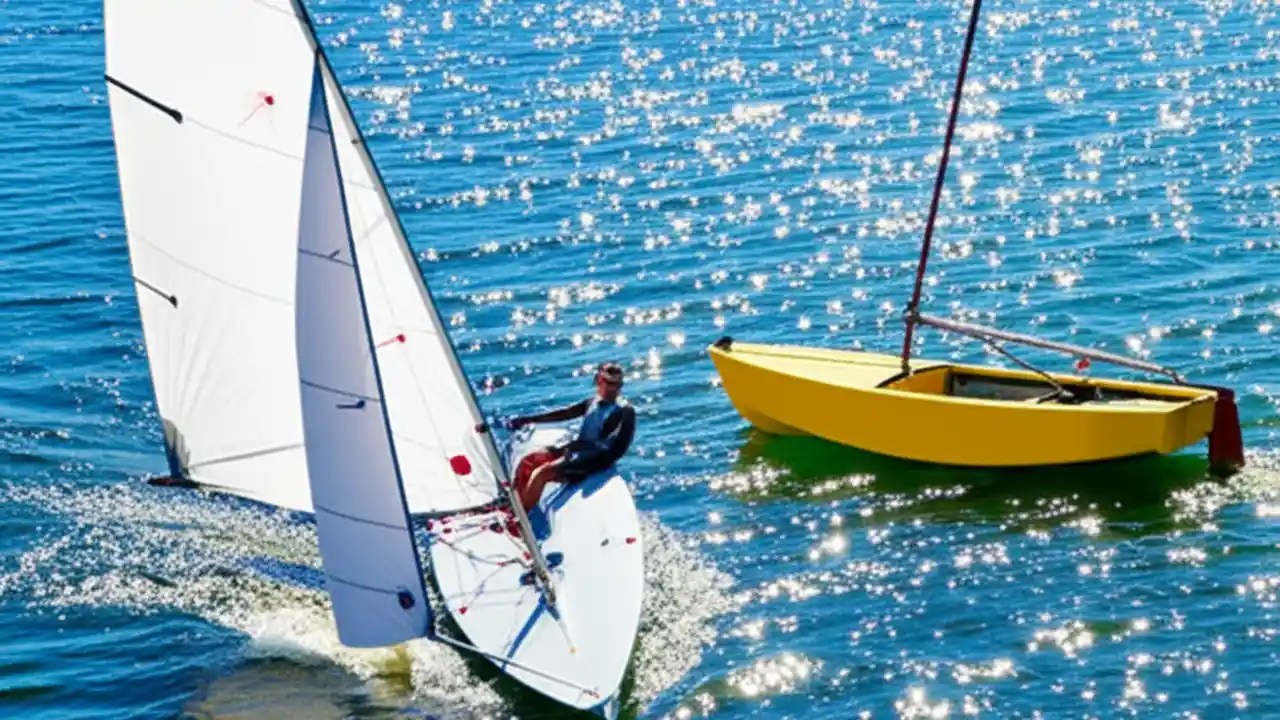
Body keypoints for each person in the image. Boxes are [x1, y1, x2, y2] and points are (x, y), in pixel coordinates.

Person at [506, 362, 636, 512]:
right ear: (598, 380)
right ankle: (514, 501)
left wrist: (582, 455)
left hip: (590, 462)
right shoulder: (592, 403)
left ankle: (519, 517)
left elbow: (617, 449)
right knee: (529, 461)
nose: (612, 389)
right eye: (608, 383)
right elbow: (565, 414)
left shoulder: (623, 412)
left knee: (541, 474)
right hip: (575, 452)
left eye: (616, 385)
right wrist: (529, 419)